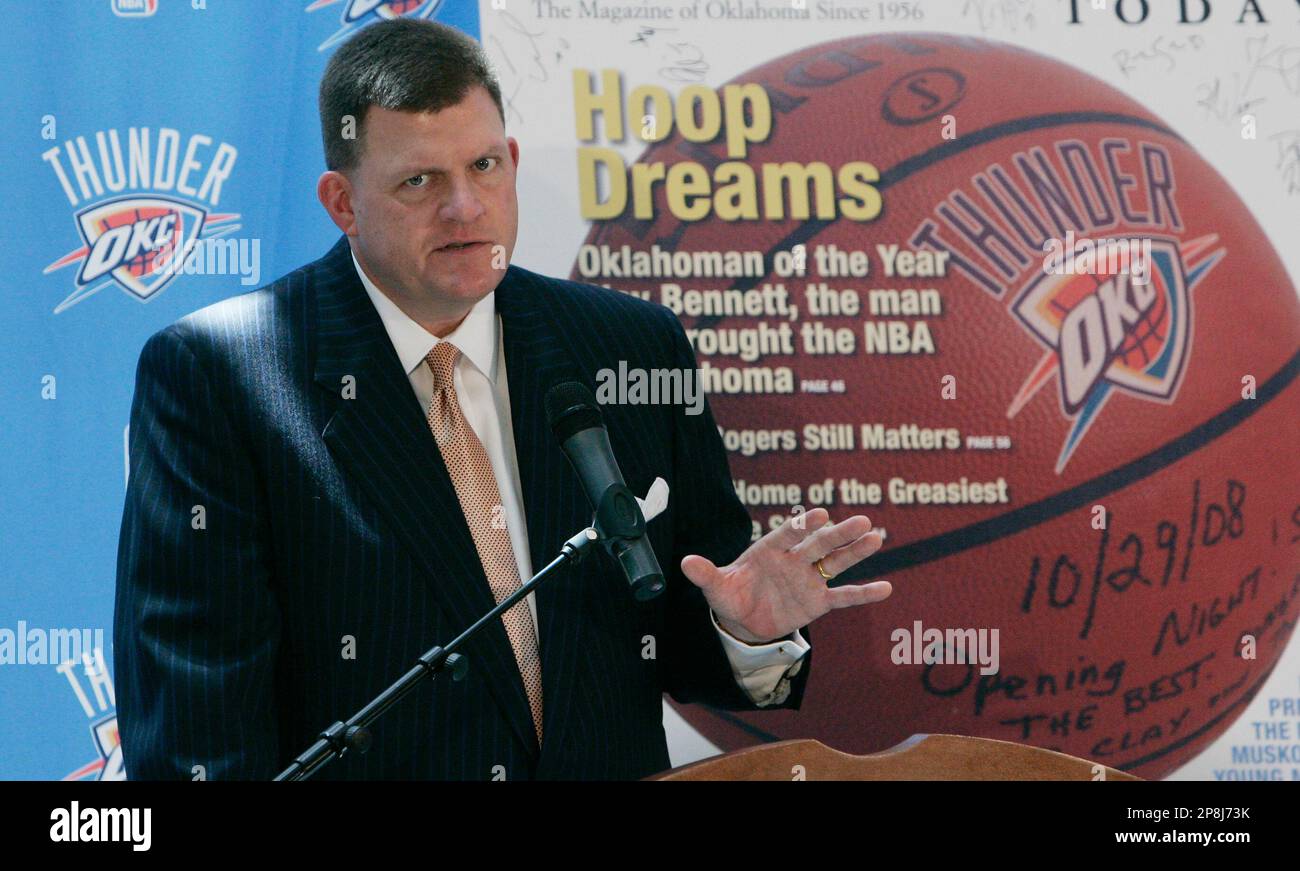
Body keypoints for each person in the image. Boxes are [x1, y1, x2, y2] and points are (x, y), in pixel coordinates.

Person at [113, 18, 891, 781]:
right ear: (342, 203)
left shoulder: (632, 348)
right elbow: (198, 714)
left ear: (512, 161)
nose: (464, 207)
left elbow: (680, 646)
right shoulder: (221, 376)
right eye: (419, 181)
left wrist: (739, 628)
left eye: (484, 166)